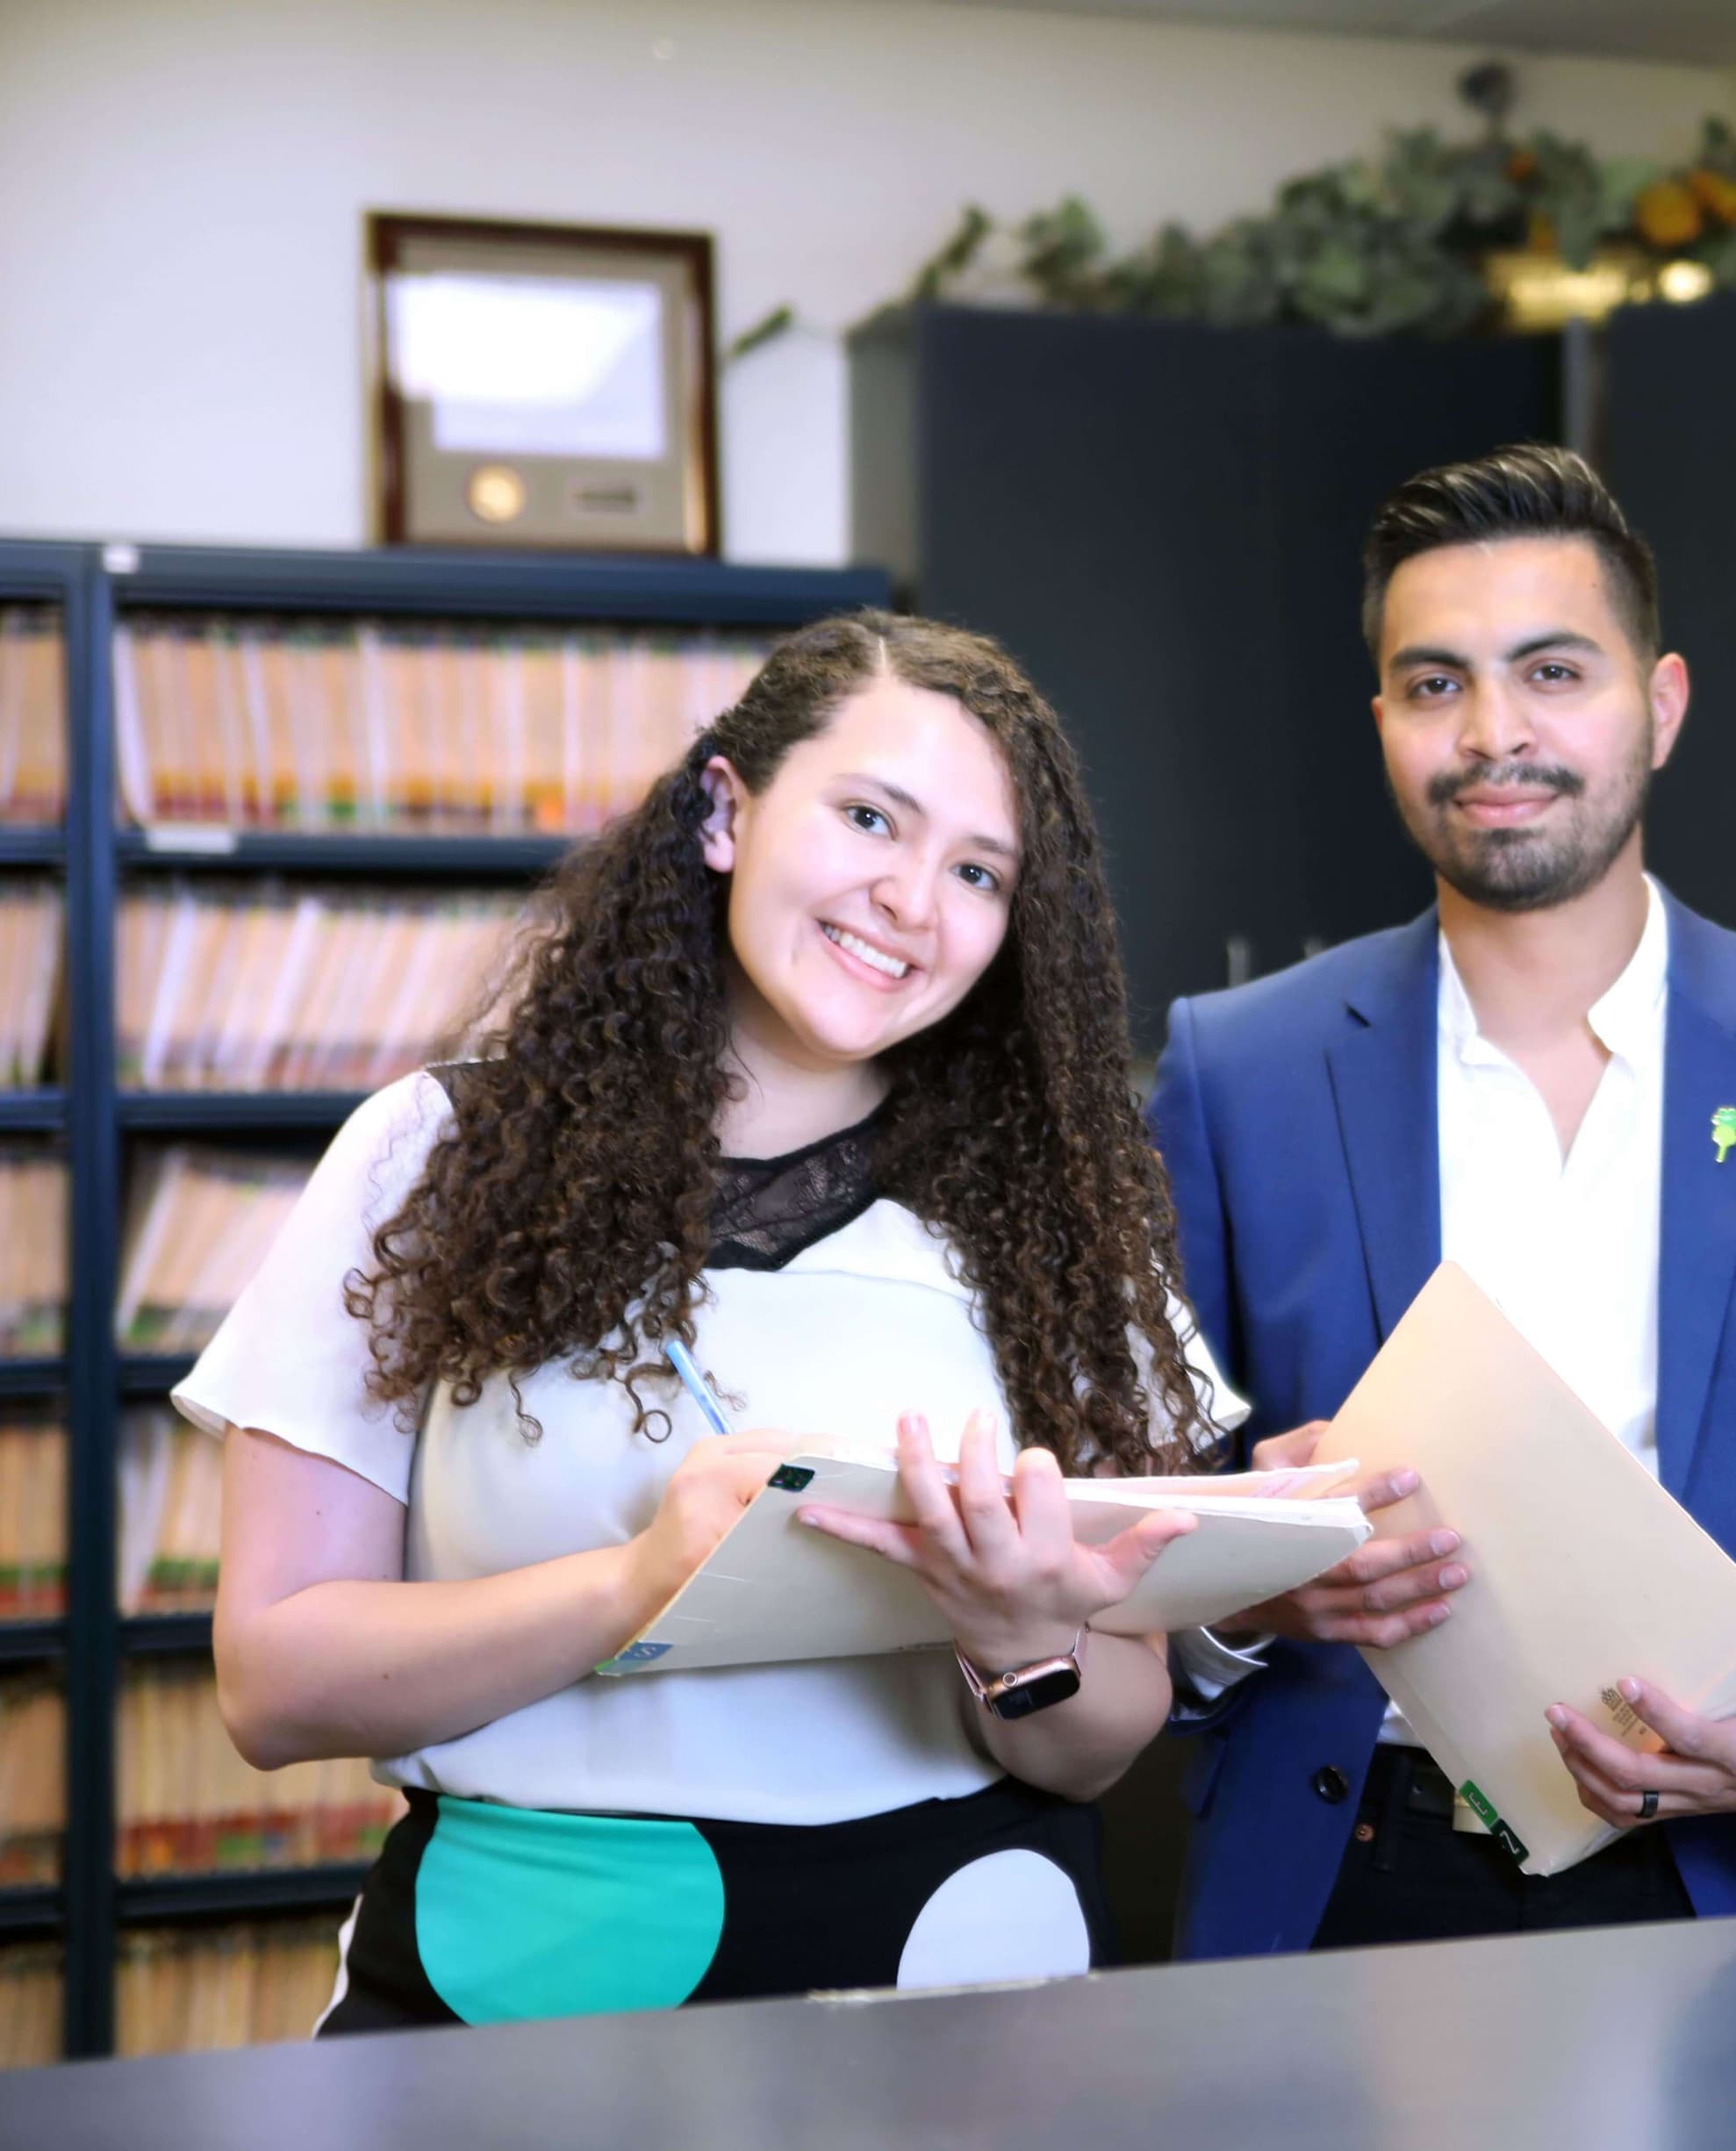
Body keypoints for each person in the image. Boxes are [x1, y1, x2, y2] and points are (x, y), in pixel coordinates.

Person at [191, 612, 1250, 2028]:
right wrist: (633, 1587)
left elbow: (1099, 1751)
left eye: (978, 871)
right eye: (870, 817)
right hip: (525, 1986)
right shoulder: (430, 1157)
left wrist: (1019, 1644)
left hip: (971, 1994)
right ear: (723, 812)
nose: (911, 902)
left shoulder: (1055, 1218)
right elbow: (275, 1687)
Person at [1152, 444, 1736, 1956]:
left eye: (1551, 671)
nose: (1493, 734)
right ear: (1385, 725)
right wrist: (1243, 1592)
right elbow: (1147, 1509)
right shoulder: (1239, 1067)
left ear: (1659, 706)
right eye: (1434, 684)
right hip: (1345, 1861)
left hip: (1724, 1861)